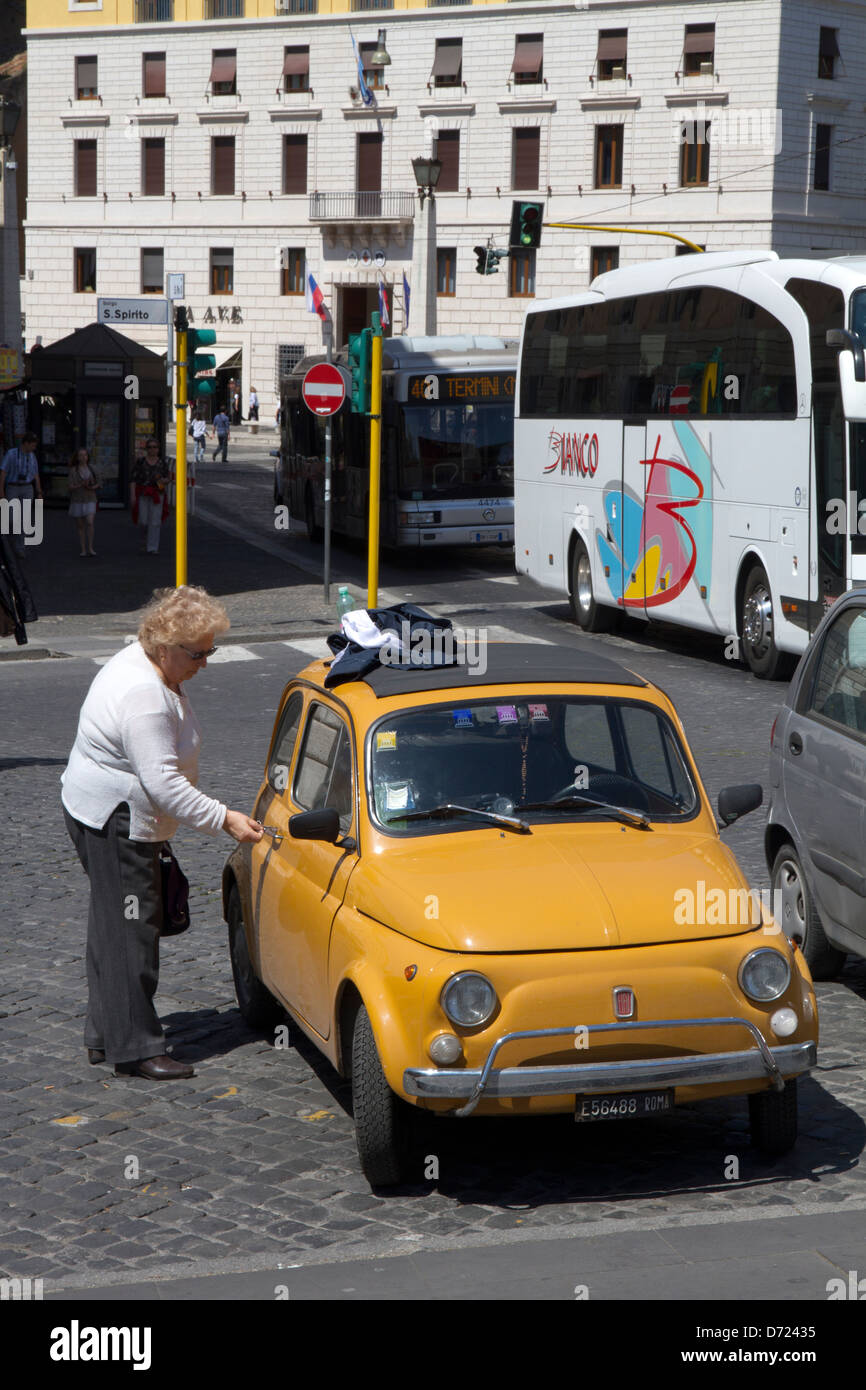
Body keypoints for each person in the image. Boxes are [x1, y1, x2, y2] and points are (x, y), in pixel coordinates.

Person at [61, 585, 264, 1080]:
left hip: (100, 807)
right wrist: (225, 818)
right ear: (165, 647)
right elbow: (164, 784)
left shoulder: (145, 659)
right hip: (118, 818)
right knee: (133, 932)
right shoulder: (143, 697)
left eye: (211, 650)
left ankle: (105, 1035)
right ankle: (135, 1049)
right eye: (198, 654)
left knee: (113, 925)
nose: (206, 663)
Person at [0, 432, 43, 557]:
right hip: (13, 487)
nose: (34, 448)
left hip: (27, 488)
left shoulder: (32, 456)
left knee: (24, 519)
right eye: (33, 445)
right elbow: (3, 472)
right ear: (26, 444)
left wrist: (39, 491)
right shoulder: (11, 454)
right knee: (12, 517)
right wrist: (1, 492)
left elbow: (35, 474)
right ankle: (12, 537)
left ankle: (20, 547)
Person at [131, 439, 170, 555]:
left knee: (155, 521)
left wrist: (164, 481)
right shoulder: (141, 462)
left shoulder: (162, 463)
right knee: (143, 521)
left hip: (157, 494)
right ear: (146, 449)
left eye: (155, 447)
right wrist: (132, 495)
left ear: (158, 449)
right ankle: (144, 540)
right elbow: (133, 479)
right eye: (150, 447)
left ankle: (152, 547)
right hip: (143, 493)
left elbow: (168, 478)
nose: (152, 449)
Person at [68, 446, 101, 557]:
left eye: (85, 455)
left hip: (90, 497)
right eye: (81, 455)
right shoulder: (73, 470)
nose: (83, 457)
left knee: (90, 522)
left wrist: (93, 487)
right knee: (80, 526)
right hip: (77, 499)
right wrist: (80, 485)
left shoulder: (92, 468)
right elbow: (70, 487)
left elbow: (100, 482)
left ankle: (90, 547)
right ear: (77, 457)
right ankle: (83, 548)